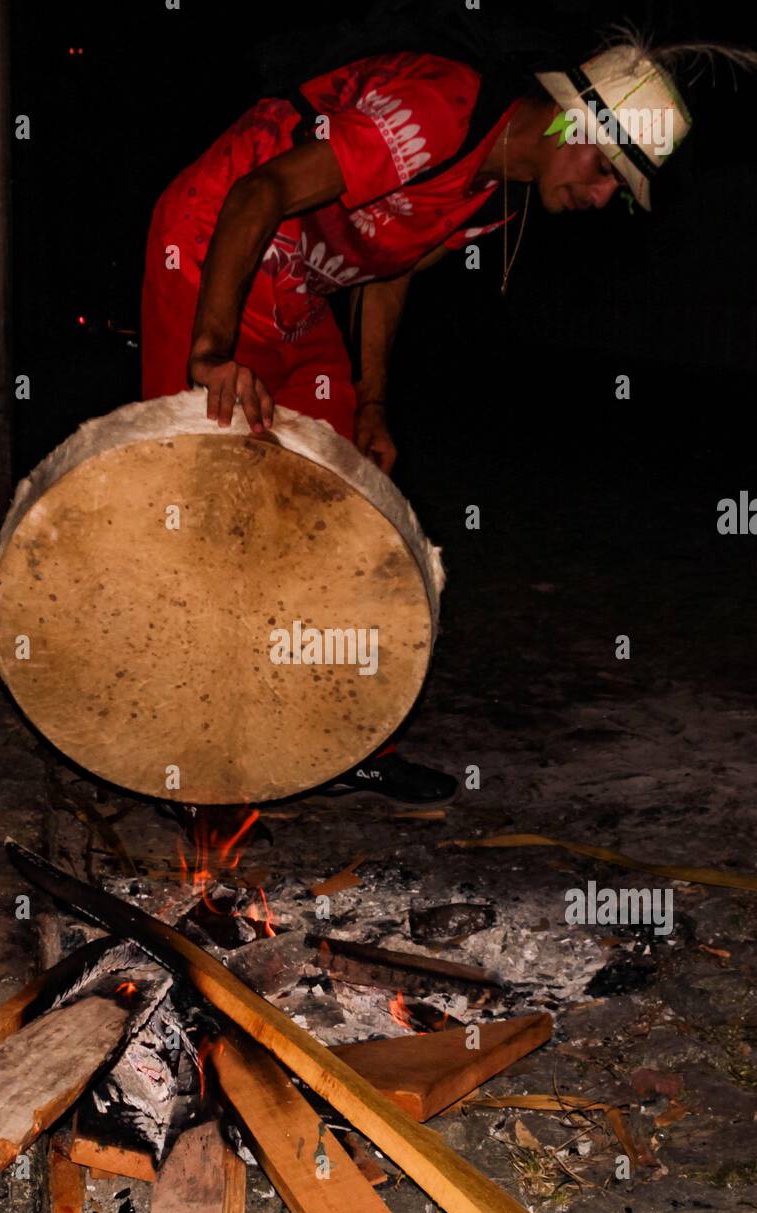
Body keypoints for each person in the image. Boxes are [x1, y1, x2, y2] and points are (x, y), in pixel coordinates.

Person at [141, 37, 693, 805]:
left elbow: (390, 263)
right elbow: (257, 194)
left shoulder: (497, 200)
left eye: (622, 192)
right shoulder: (439, 111)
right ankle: (193, 775)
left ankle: (343, 743)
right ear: (575, 125)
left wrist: (371, 405)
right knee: (214, 511)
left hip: (302, 284)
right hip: (215, 246)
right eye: (608, 171)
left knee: (346, 505)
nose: (604, 199)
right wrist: (210, 350)